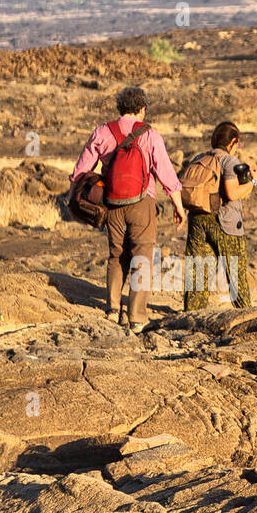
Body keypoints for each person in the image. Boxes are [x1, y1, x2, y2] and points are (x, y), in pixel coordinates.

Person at [70, 85, 185, 332]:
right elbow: (166, 173)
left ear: (120, 108)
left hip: (112, 203)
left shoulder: (102, 131)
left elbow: (80, 172)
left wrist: (79, 199)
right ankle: (137, 318)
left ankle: (112, 309)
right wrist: (179, 206)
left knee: (116, 255)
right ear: (142, 109)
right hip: (142, 203)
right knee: (142, 257)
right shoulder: (150, 135)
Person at [182, 121, 257, 310]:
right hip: (224, 223)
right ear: (232, 142)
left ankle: (192, 314)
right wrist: (253, 181)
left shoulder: (198, 158)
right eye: (238, 144)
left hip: (197, 219)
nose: (237, 148)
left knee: (199, 273)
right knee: (235, 273)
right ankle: (244, 315)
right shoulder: (229, 161)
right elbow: (232, 194)